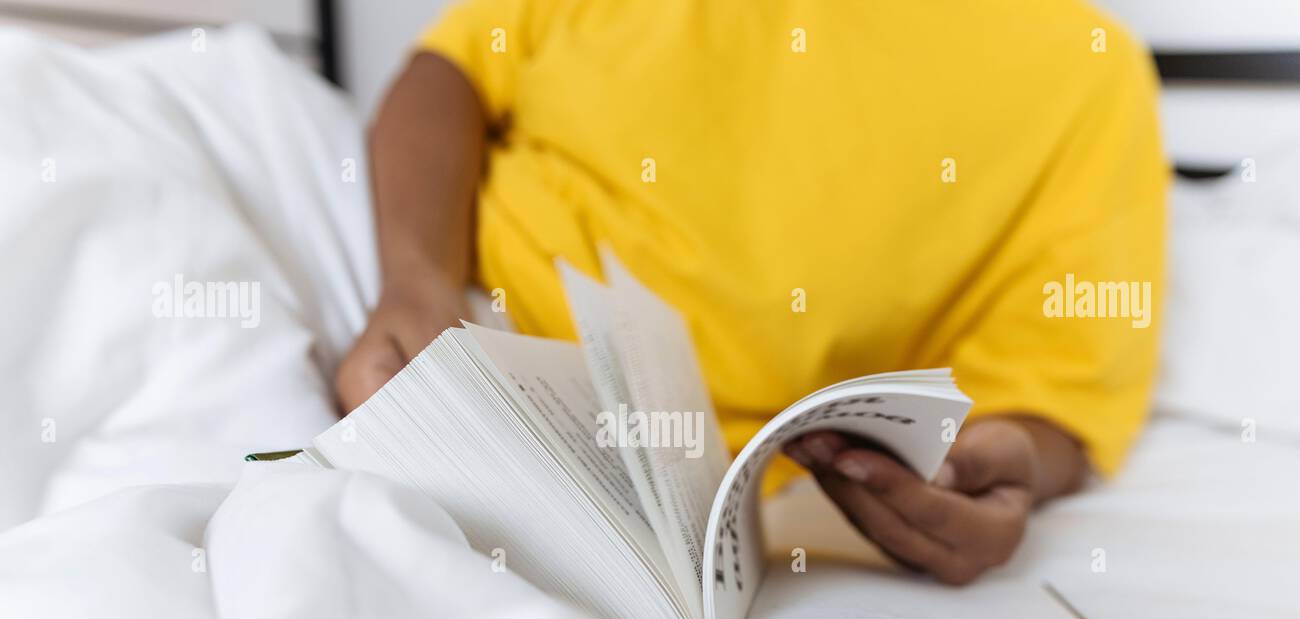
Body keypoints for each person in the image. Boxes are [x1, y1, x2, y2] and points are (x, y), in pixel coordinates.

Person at [335, 0, 1167, 585]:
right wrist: (415, 283)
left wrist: (1001, 463)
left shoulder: (1087, 71)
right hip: (465, 347)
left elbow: (1059, 399)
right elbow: (450, 69)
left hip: (763, 497)